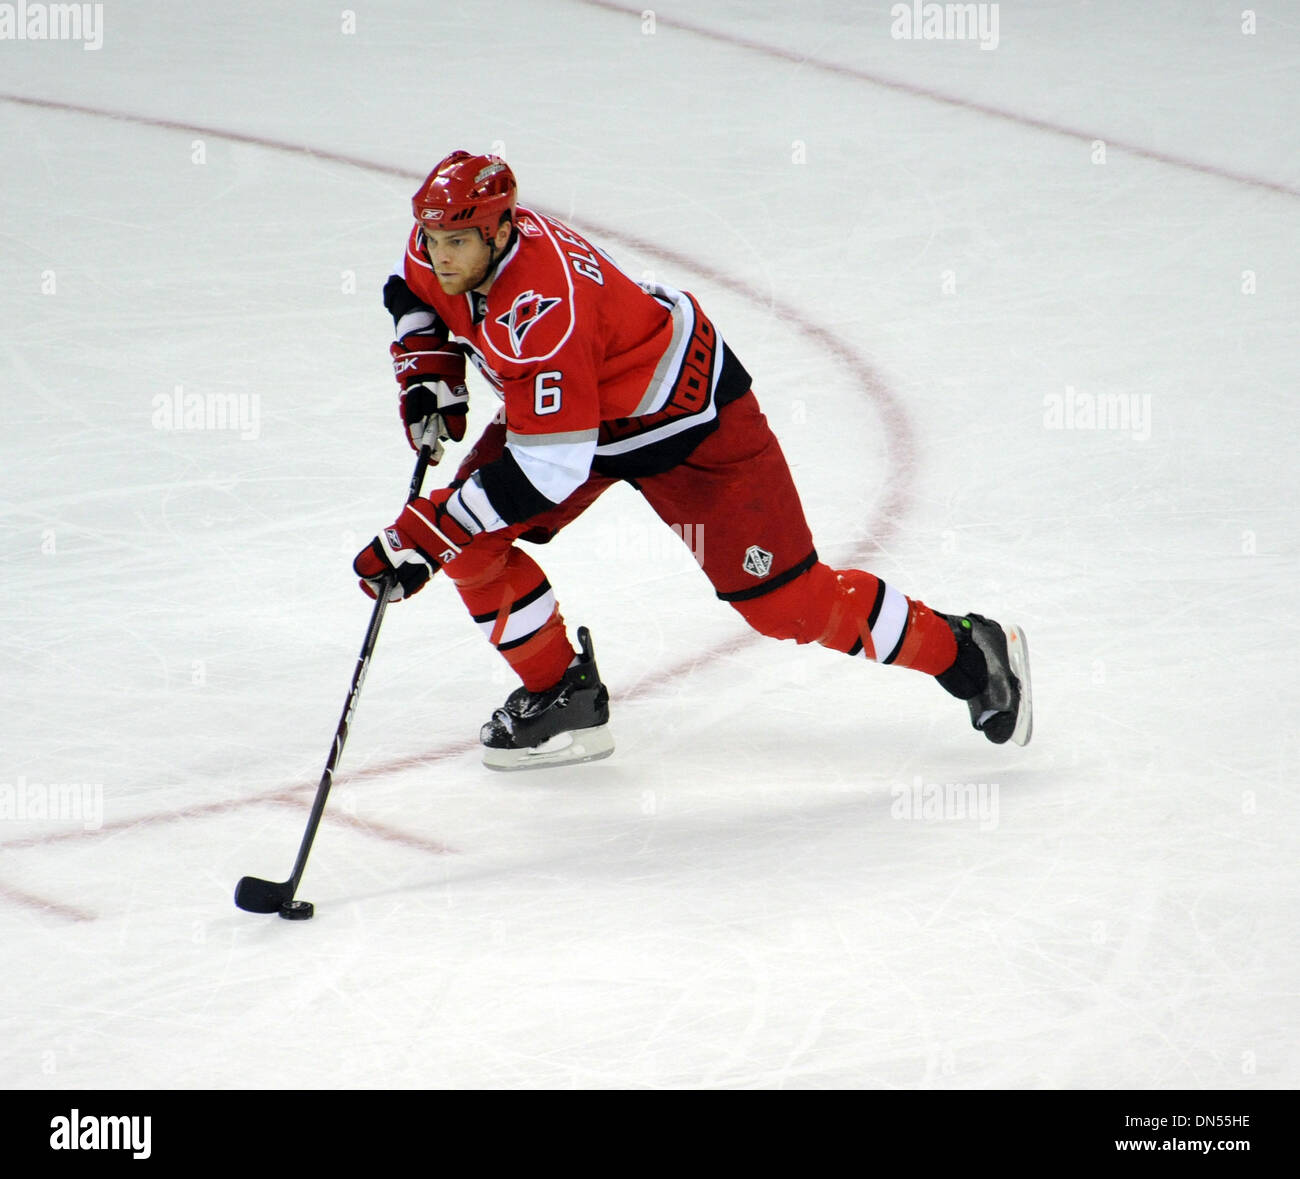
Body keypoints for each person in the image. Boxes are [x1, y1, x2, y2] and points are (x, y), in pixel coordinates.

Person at [353, 151, 1033, 770]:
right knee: (470, 542)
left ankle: (967, 650)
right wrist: (427, 367)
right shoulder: (450, 244)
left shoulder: (544, 308)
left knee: (787, 605)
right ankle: (562, 696)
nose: (441, 256)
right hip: (578, 415)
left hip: (688, 424)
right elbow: (412, 290)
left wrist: (426, 528)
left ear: (499, 233)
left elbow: (545, 473)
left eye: (457, 243)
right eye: (435, 239)